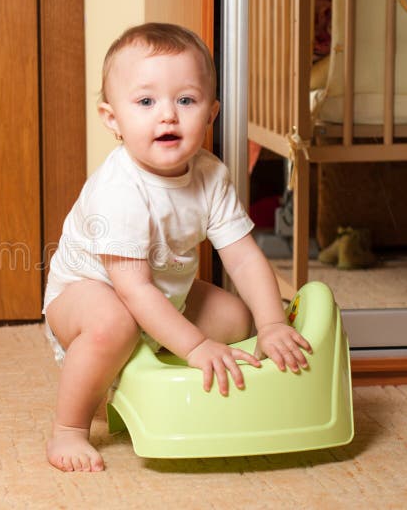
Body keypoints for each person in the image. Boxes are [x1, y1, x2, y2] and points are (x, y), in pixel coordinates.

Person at [42, 23, 313, 473]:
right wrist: (194, 346)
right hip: (88, 293)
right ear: (113, 119)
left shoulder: (210, 175)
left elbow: (243, 255)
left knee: (237, 318)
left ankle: (141, 372)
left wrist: (270, 324)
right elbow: (134, 290)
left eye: (185, 101)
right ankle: (69, 427)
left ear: (210, 114)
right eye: (146, 102)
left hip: (163, 290)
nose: (167, 115)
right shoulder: (119, 190)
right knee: (116, 324)